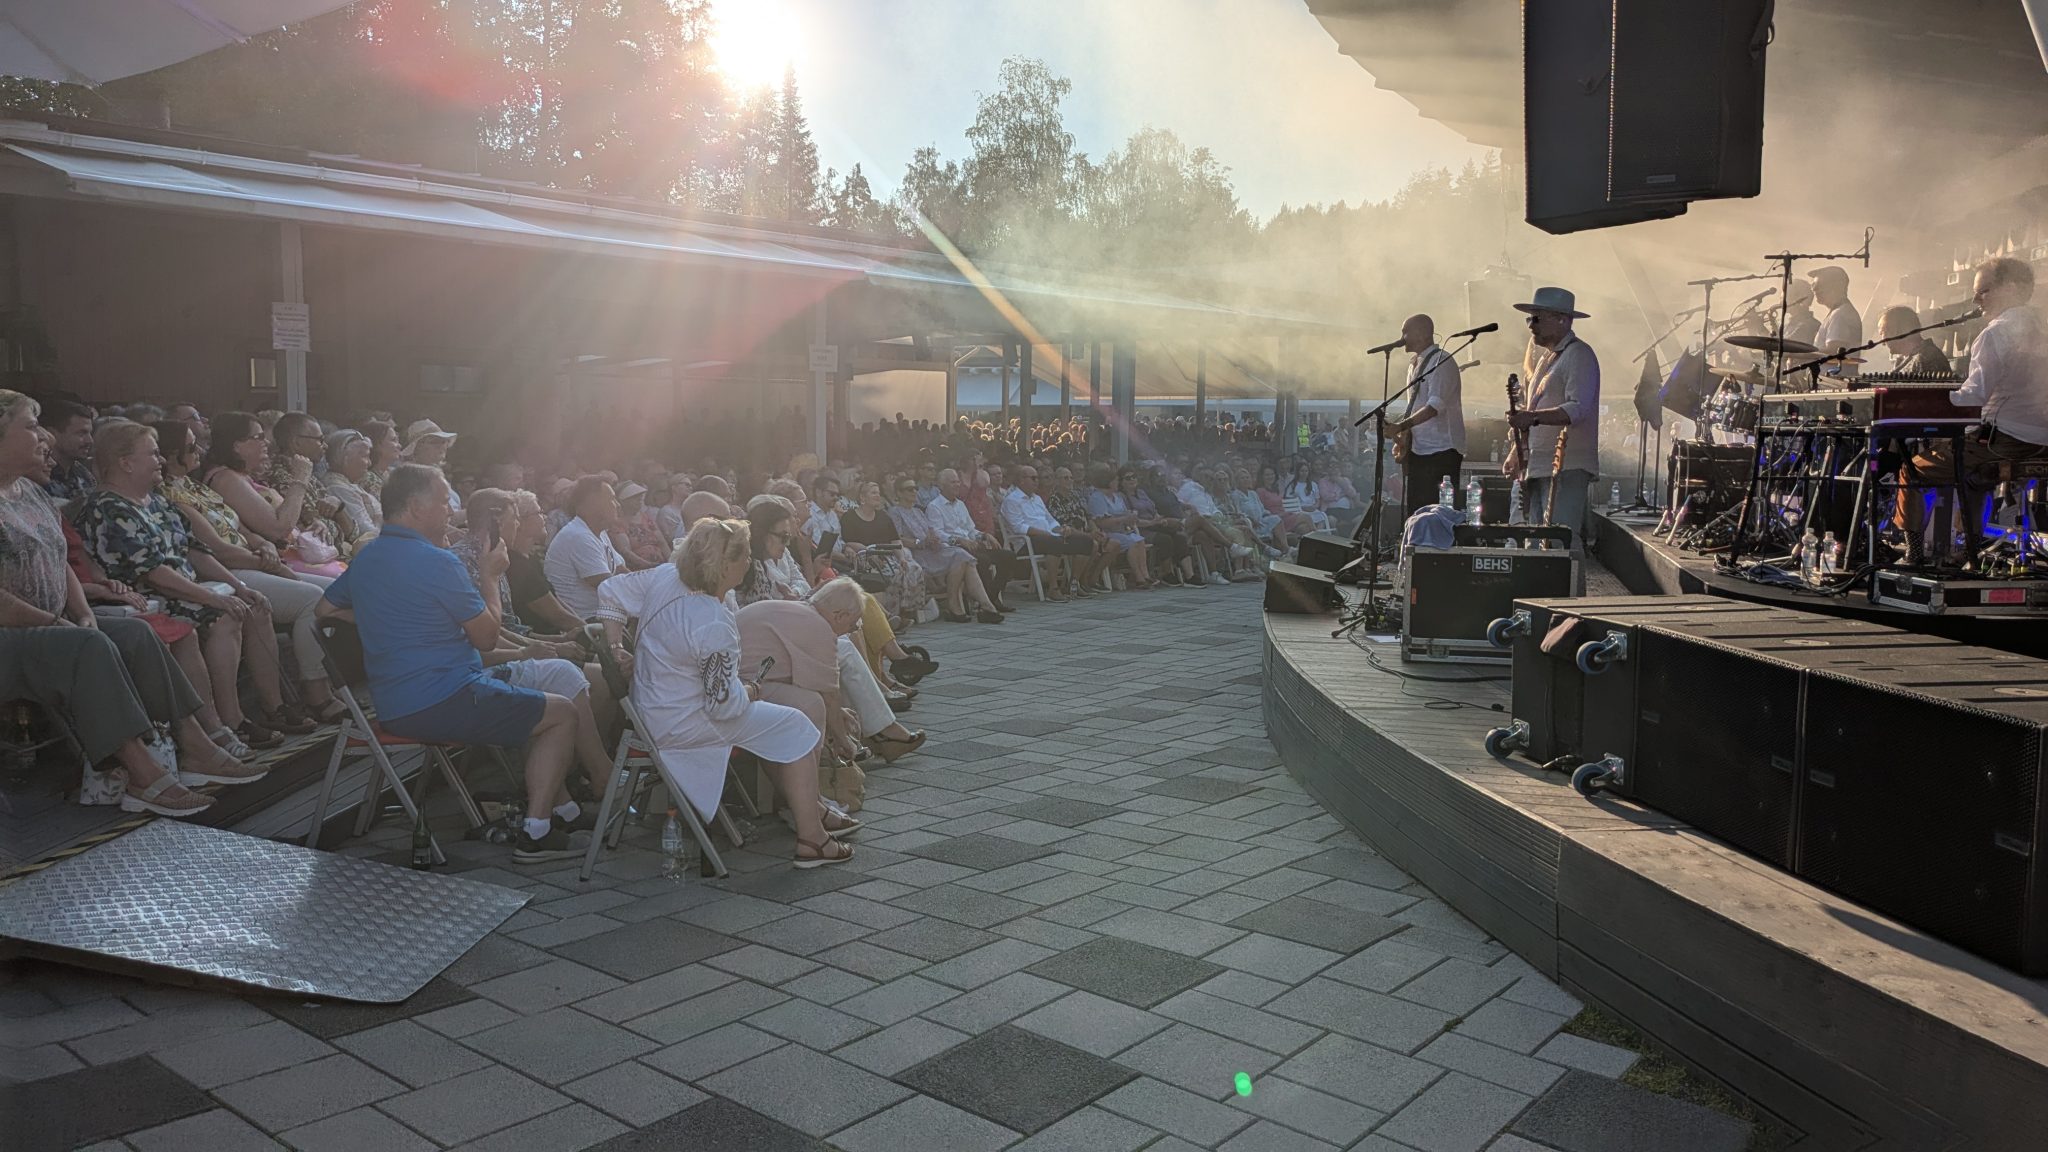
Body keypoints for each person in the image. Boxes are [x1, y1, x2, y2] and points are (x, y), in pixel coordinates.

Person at [1, 393, 263, 816]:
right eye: (30, 426)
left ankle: (195, 745)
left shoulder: (30, 492)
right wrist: (59, 623)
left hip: (56, 624)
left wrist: (83, 614)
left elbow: (59, 560)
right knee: (91, 646)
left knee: (138, 631)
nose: (43, 436)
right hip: (12, 636)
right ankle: (145, 777)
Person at [318, 463, 592, 863]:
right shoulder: (437, 561)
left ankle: (565, 810)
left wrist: (388, 617)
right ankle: (537, 834)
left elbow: (324, 610)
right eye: (443, 500)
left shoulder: (369, 555)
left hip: (397, 703)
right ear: (415, 506)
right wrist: (490, 577)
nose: (451, 510)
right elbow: (484, 636)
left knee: (543, 688)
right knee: (563, 713)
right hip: (444, 699)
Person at [628, 518, 855, 867]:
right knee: (797, 726)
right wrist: (749, 690)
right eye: (745, 556)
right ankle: (812, 837)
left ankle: (813, 815)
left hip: (650, 710)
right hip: (683, 723)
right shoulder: (712, 620)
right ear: (724, 564)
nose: (749, 562)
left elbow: (608, 592)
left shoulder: (665, 579)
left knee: (788, 722)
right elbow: (723, 706)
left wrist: (612, 640)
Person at [72, 419, 306, 748]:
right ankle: (230, 722)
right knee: (225, 615)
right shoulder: (108, 508)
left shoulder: (156, 501)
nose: (162, 460)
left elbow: (195, 551)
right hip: (140, 600)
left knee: (253, 604)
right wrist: (215, 599)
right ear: (125, 463)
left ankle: (274, 707)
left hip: (180, 590)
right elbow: (154, 574)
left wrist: (237, 587)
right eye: (153, 454)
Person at [171, 417, 343, 722]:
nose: (266, 443)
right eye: (257, 437)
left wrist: (259, 543)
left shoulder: (197, 488)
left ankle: (327, 684)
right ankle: (315, 691)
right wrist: (300, 479)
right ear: (236, 445)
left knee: (334, 593)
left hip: (254, 559)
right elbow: (274, 529)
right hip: (227, 569)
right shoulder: (211, 483)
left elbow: (240, 528)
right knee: (313, 599)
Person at [1900, 257, 2048, 565]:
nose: (1975, 299)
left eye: (1984, 291)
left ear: (2011, 288)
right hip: (2041, 439)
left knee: (1913, 469)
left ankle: (1913, 555)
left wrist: (1929, 398)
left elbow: (1973, 397)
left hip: (2004, 439)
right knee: (1972, 475)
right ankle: (1968, 551)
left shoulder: (1996, 333)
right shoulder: (2042, 326)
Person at [1508, 286, 1602, 543]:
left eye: (1537, 318)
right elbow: (1533, 411)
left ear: (1561, 319)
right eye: (1530, 318)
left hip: (1567, 466)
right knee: (1538, 543)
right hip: (1541, 467)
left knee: (1561, 541)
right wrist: (1518, 450)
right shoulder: (1547, 360)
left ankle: (1567, 585)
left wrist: (1533, 418)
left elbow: (1577, 408)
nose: (1531, 325)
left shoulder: (1579, 354)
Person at [1386, 313, 1467, 516]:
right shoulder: (1413, 365)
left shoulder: (1441, 362)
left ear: (1422, 333)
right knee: (1417, 512)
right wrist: (1402, 436)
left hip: (1442, 450)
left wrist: (1401, 426)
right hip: (1418, 450)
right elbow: (1415, 407)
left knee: (1439, 514)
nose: (1402, 336)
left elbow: (1434, 407)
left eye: (1406, 332)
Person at [889, 475, 1001, 621]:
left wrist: (933, 539)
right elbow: (897, 537)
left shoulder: (918, 511)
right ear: (899, 493)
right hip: (916, 554)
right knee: (962, 557)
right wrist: (919, 542)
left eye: (915, 488)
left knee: (963, 558)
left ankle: (982, 607)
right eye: (909, 489)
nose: (914, 492)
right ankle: (969, 607)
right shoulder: (895, 512)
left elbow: (931, 532)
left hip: (933, 550)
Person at [840, 480, 929, 625]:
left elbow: (895, 540)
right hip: (864, 556)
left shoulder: (883, 516)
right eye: (873, 493)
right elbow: (847, 541)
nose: (877, 496)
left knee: (913, 569)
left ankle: (906, 611)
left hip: (888, 555)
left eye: (879, 493)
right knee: (891, 574)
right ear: (862, 497)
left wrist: (901, 558)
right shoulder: (850, 517)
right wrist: (867, 550)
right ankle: (890, 617)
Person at [1001, 464, 1094, 602]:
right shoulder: (1011, 500)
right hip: (1027, 541)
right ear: (1021, 480)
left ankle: (1073, 584)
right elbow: (1018, 527)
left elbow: (1050, 520)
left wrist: (1061, 529)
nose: (1037, 481)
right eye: (1033, 478)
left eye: (1037, 478)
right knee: (1054, 543)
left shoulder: (1036, 498)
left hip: (1049, 537)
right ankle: (1053, 589)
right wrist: (1046, 534)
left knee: (1086, 542)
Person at [929, 467, 1014, 612]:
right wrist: (959, 540)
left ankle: (990, 598)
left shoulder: (961, 505)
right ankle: (988, 604)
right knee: (983, 560)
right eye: (952, 482)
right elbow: (938, 533)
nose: (957, 485)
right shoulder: (934, 507)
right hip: (955, 549)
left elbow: (970, 530)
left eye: (958, 482)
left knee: (1008, 557)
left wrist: (984, 535)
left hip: (972, 544)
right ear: (942, 486)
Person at [544, 476, 628, 622]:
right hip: (587, 621)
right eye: (612, 499)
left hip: (605, 614)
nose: (617, 505)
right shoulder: (578, 536)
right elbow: (609, 587)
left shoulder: (598, 532)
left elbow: (621, 571)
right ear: (593, 504)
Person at [322, 428, 382, 547]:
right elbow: (367, 533)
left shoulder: (350, 485)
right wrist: (378, 518)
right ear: (344, 458)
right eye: (365, 456)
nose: (369, 463)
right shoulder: (337, 488)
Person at [37, 397, 96, 502]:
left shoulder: (83, 473)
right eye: (81, 433)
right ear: (52, 434)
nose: (90, 441)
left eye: (90, 433)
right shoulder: (38, 475)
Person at [1809, 266, 1863, 378]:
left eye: (1818, 286)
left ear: (1835, 286)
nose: (1813, 289)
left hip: (1834, 383)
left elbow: (1834, 351)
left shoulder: (1840, 315)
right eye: (1813, 286)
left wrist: (1801, 354)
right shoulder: (1839, 312)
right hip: (1830, 381)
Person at [1877, 305, 1955, 376]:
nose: (1883, 342)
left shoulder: (1927, 359)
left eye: (1883, 333)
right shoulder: (1906, 359)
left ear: (1899, 331)